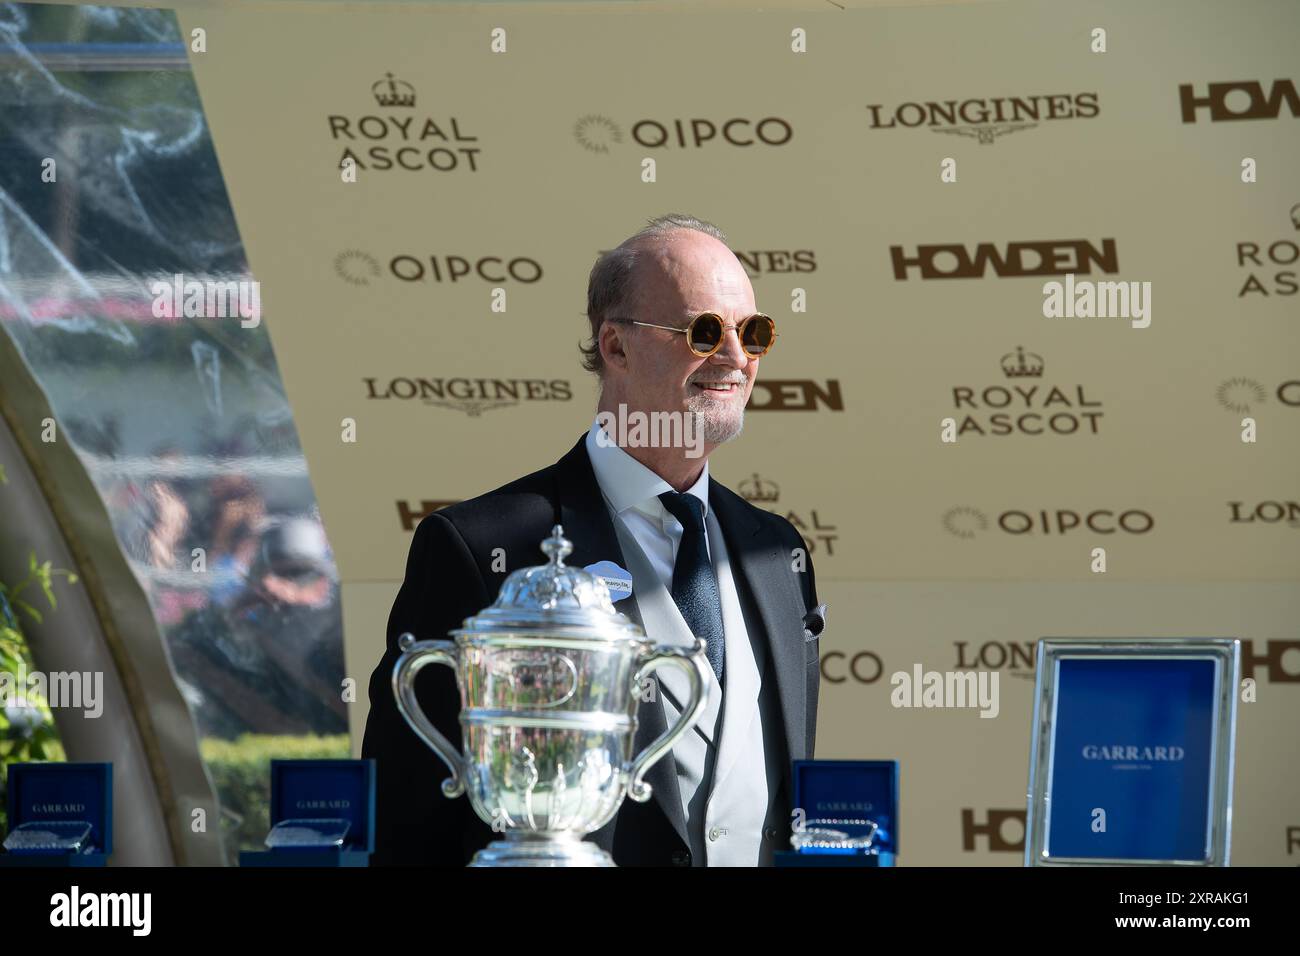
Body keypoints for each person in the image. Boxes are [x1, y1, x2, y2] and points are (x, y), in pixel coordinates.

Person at [362, 214, 825, 866]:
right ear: (615, 347)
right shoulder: (479, 549)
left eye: (753, 332)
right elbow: (407, 827)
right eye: (702, 331)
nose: (735, 357)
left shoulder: (777, 552)